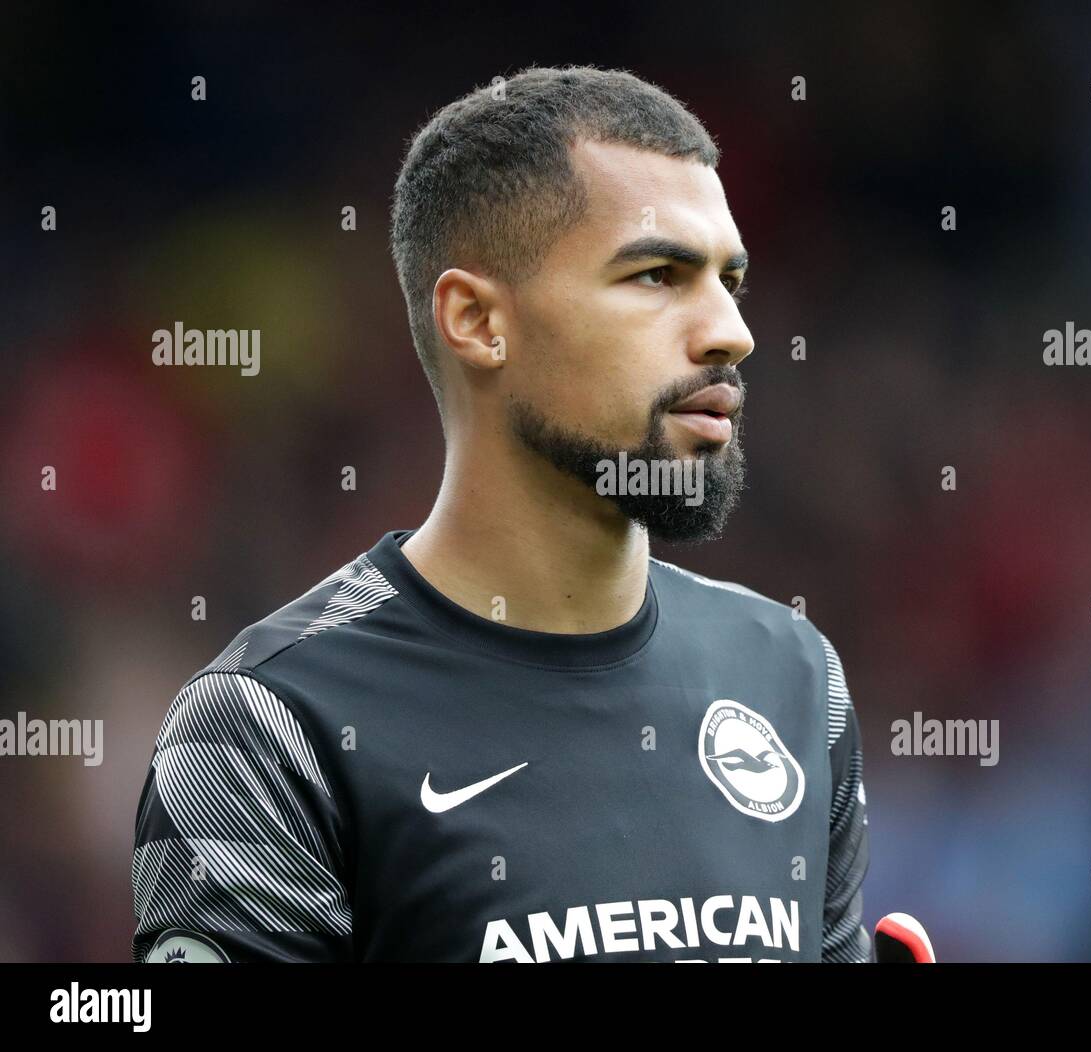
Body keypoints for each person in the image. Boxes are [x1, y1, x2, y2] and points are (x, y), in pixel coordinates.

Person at [131, 64, 874, 963]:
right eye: (657, 275)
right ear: (479, 320)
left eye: (730, 279)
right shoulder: (270, 723)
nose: (730, 331)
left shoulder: (793, 677)